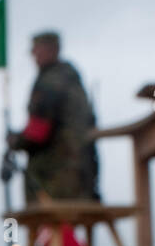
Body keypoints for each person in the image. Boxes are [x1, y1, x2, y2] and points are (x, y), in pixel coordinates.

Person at [5, 31, 99, 204]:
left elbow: (37, 132)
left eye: (37, 51)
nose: (34, 56)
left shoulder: (50, 82)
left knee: (51, 227)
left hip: (55, 178)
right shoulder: (70, 78)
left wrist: (16, 141)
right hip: (83, 175)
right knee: (63, 226)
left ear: (51, 50)